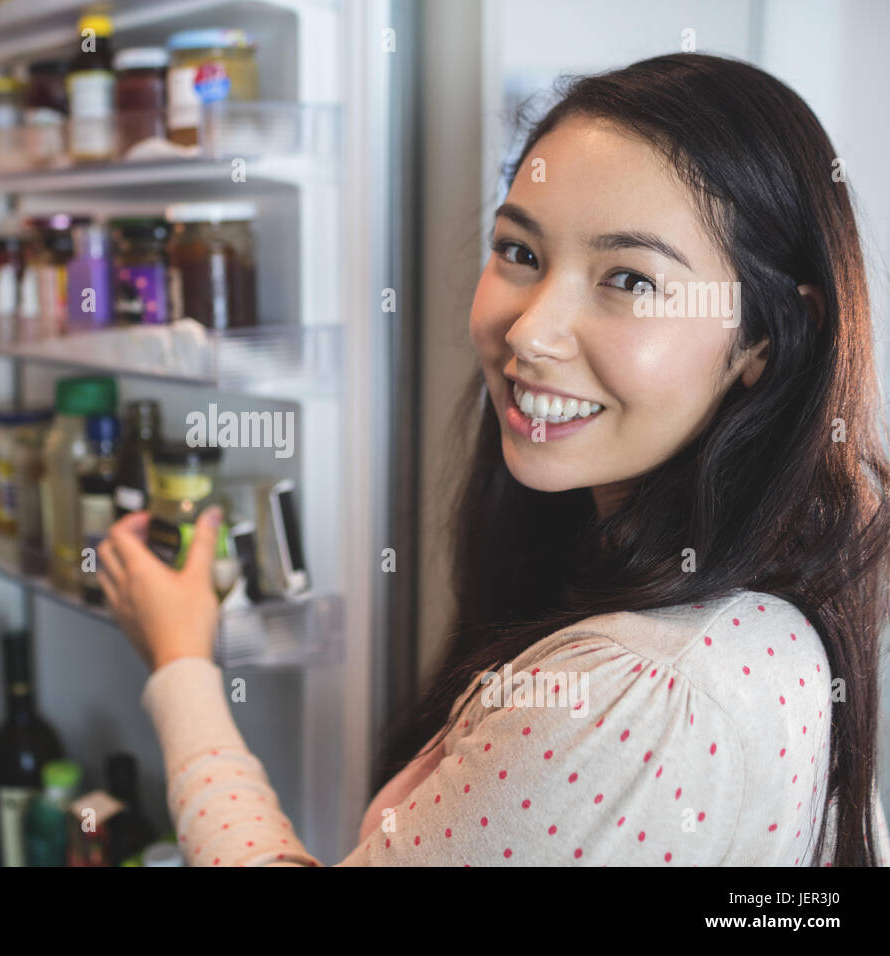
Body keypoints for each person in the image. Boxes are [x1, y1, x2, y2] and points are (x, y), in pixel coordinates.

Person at [95, 52, 890, 866]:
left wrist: (181, 662)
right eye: (520, 252)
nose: (529, 332)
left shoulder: (631, 703)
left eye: (628, 278)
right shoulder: (765, 610)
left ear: (764, 336)